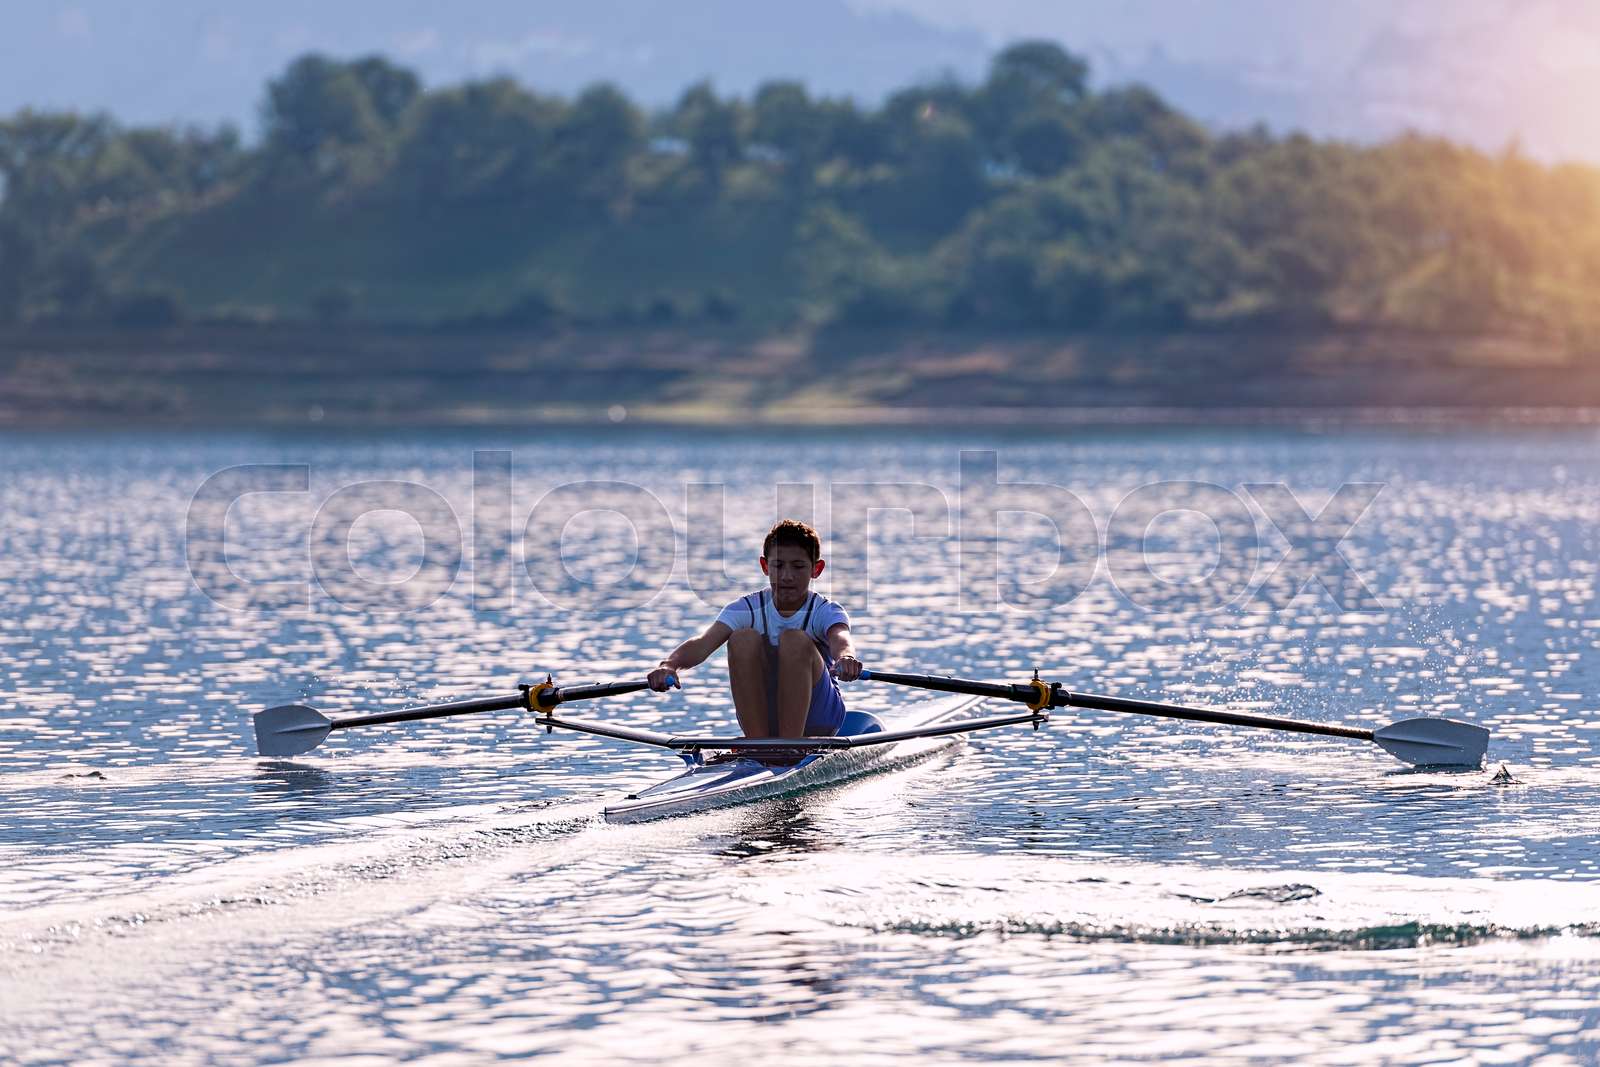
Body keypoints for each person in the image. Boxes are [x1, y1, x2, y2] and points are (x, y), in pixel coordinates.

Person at [647, 518, 861, 737]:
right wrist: (669, 665)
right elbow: (703, 644)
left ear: (816, 569)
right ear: (765, 566)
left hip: (820, 717)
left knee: (794, 640)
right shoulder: (746, 608)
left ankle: (788, 747)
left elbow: (841, 639)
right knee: (741, 638)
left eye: (798, 566)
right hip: (767, 716)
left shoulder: (825, 610)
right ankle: (759, 745)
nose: (787, 576)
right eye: (778, 565)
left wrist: (846, 658)